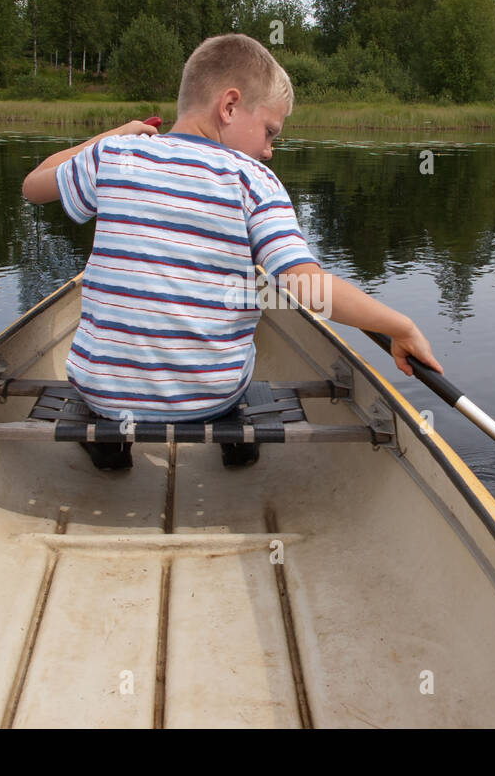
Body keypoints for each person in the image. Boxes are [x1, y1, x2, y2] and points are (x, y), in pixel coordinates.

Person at [22, 33, 440, 470]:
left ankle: (110, 438)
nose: (269, 150)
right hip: (210, 395)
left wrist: (115, 134)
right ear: (229, 107)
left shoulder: (114, 154)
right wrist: (399, 325)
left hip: (103, 391)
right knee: (247, 296)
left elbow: (33, 186)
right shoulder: (253, 179)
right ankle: (236, 434)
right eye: (269, 131)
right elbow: (304, 285)